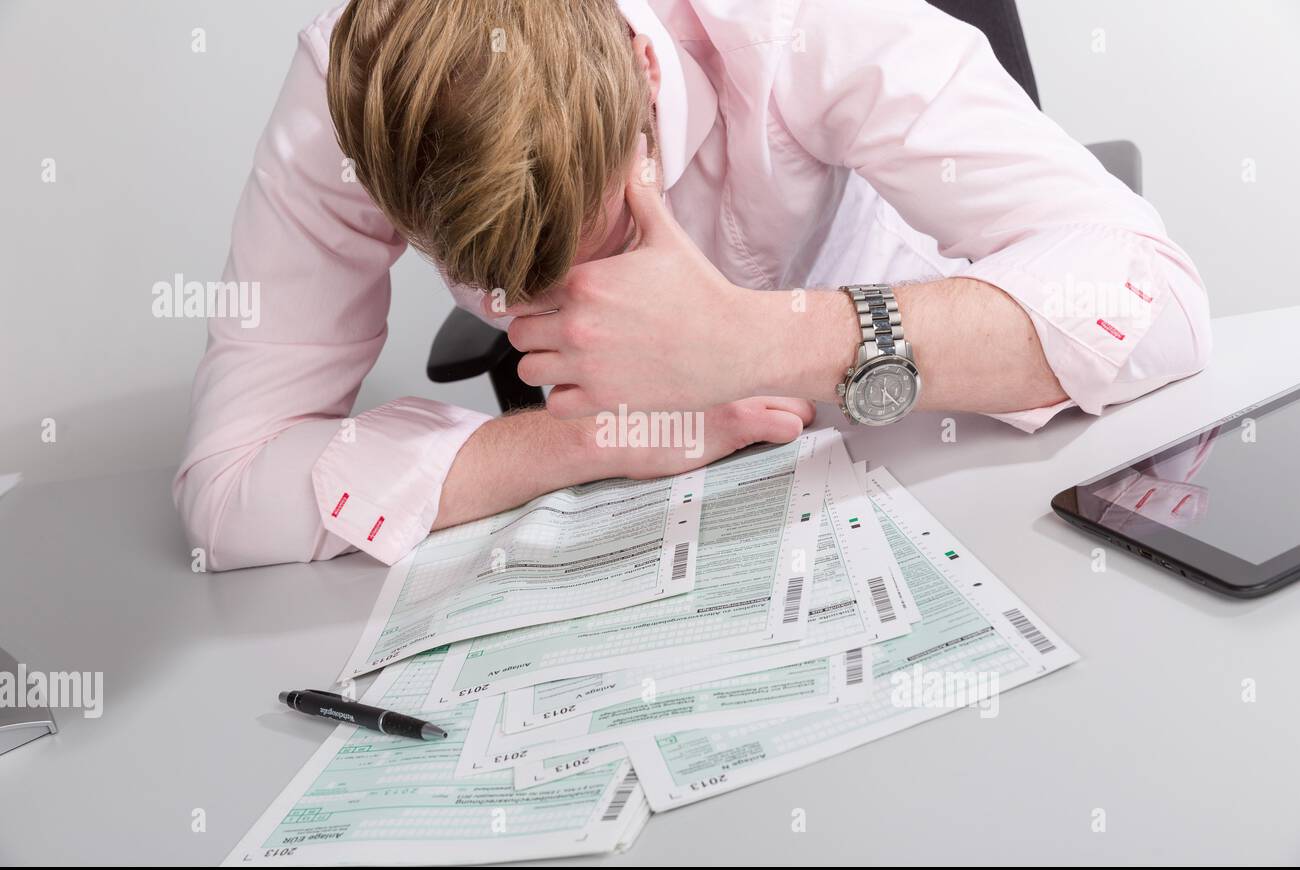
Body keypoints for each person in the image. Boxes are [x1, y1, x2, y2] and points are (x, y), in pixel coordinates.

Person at [174, 0, 1210, 571]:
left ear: (643, 67)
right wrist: (601, 434)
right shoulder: (352, 98)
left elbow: (1156, 294)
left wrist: (759, 340)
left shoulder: (792, 19)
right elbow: (226, 485)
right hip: (643, 504)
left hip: (920, 424)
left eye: (604, 230)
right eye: (503, 286)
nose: (572, 304)